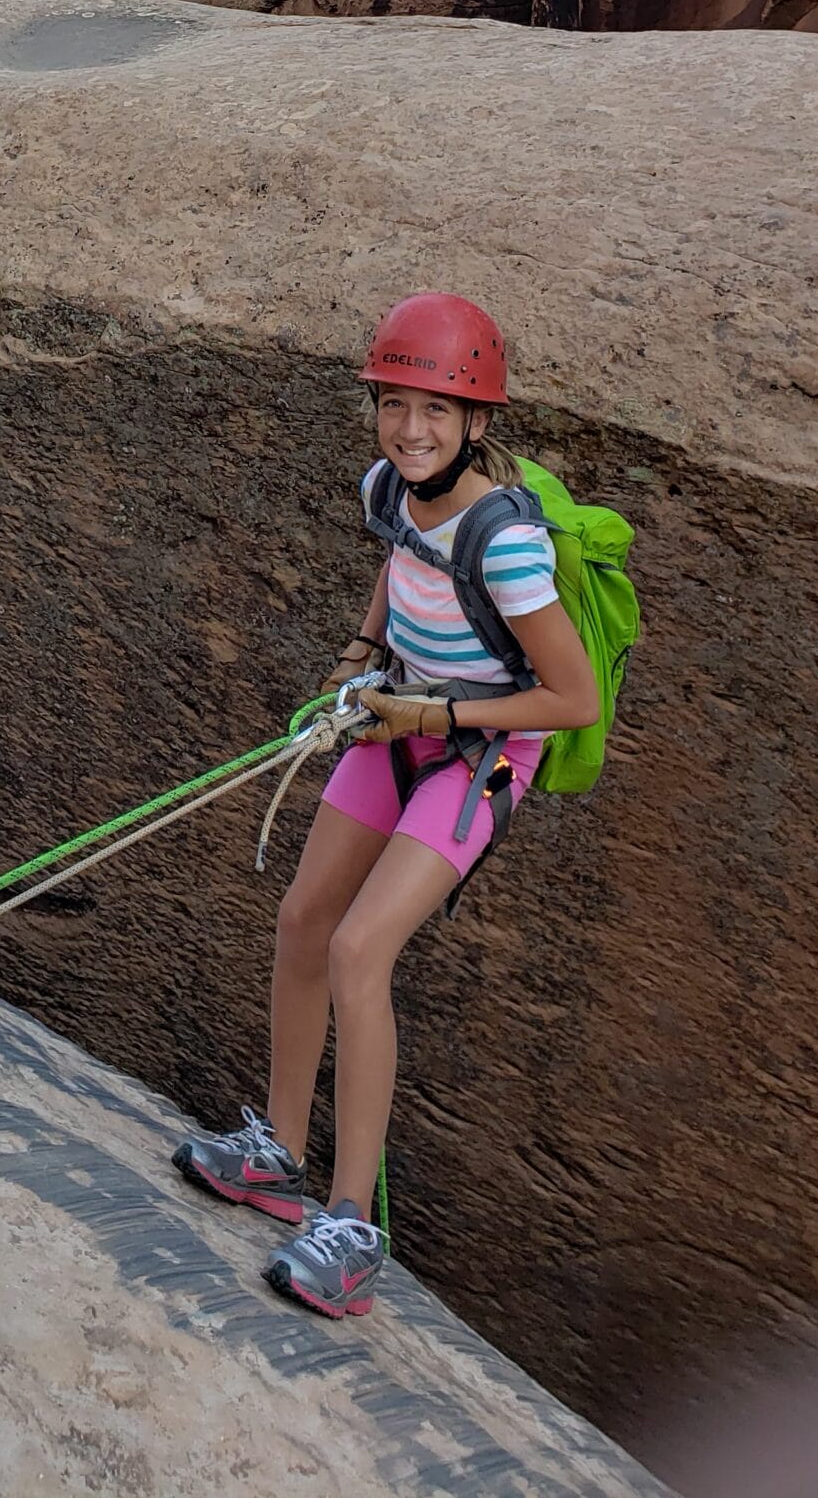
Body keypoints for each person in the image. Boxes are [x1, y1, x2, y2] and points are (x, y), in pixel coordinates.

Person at [173, 293, 601, 1318]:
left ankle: (352, 1222)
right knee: (303, 920)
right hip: (390, 720)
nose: (412, 430)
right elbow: (401, 563)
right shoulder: (389, 485)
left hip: (480, 755)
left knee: (363, 949)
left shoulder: (507, 542)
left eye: (438, 412)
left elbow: (570, 696)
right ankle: (277, 1147)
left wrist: (422, 708)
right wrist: (357, 663)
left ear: (479, 424)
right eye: (395, 404)